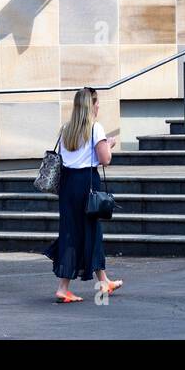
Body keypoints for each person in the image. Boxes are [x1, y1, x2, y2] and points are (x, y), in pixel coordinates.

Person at [43, 86, 123, 303]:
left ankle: (96, 282)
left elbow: (65, 156)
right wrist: (110, 144)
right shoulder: (95, 128)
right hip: (86, 183)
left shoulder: (66, 129)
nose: (98, 106)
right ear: (91, 105)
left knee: (72, 232)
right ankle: (70, 286)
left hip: (68, 185)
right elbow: (105, 159)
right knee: (89, 230)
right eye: (97, 103)